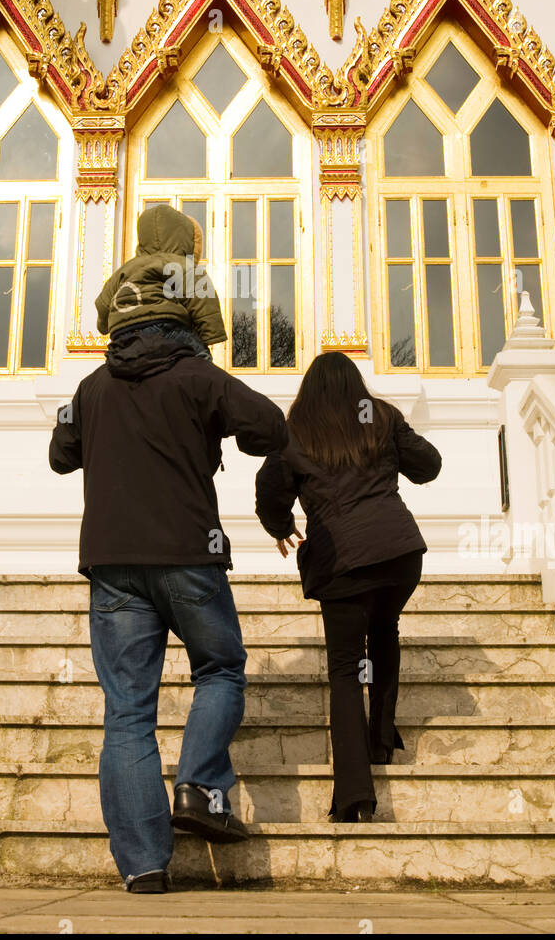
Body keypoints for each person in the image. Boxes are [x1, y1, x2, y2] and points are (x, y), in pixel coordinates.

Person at [49, 318, 286, 893]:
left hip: (112, 561)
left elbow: (61, 454)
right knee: (221, 668)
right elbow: (270, 426)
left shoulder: (93, 385)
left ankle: (144, 864)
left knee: (127, 710)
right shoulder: (197, 375)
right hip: (188, 552)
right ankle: (199, 786)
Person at [254, 351, 441, 823]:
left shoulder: (294, 431)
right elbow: (428, 465)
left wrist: (281, 525)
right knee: (383, 632)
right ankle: (380, 738)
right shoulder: (379, 416)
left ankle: (356, 793)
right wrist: (390, 440)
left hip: (343, 561)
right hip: (399, 553)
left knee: (344, 670)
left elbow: (270, 491)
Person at [94, 204, 226, 360]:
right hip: (163, 323)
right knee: (201, 354)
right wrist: (211, 335)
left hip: (123, 329)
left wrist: (103, 325)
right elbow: (203, 299)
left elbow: (103, 302)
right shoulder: (183, 264)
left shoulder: (127, 268)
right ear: (183, 238)